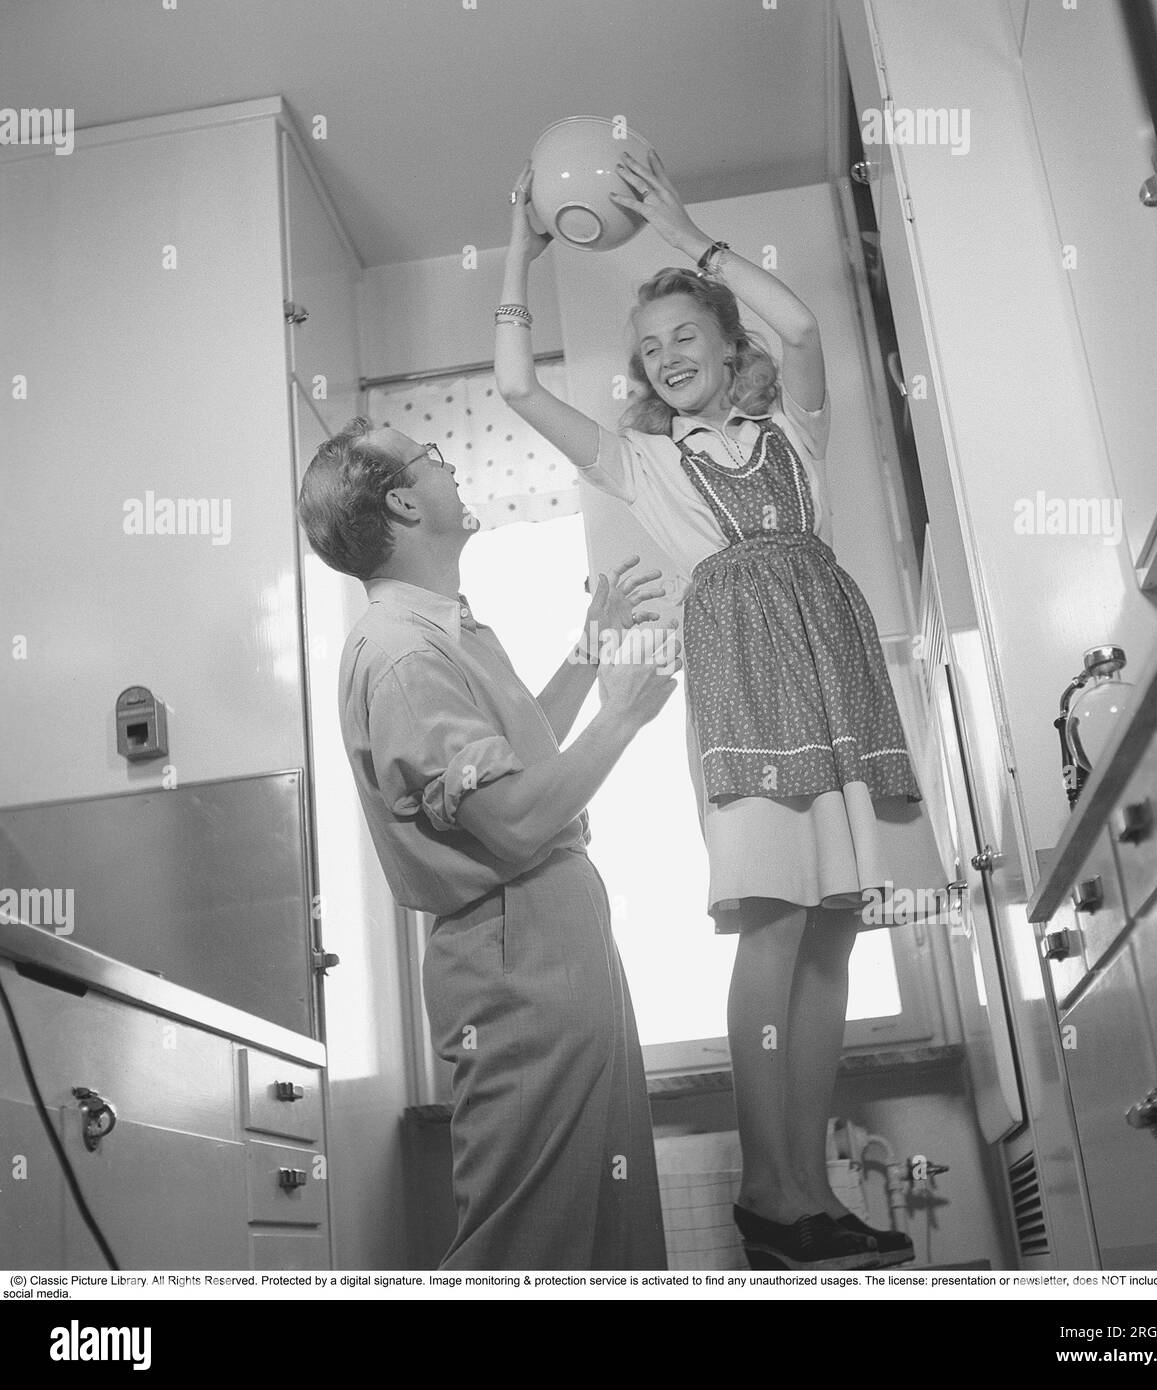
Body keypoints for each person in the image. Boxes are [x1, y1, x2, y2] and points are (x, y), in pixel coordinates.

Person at [496, 153, 940, 1270]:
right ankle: (765, 1188)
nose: (663, 356)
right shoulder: (641, 461)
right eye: (648, 350)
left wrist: (684, 233)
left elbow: (797, 327)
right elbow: (513, 388)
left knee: (838, 922)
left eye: (683, 334)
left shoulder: (795, 426)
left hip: (838, 673)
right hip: (744, 682)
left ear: (722, 339)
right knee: (777, 920)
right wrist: (517, 246)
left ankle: (806, 1193)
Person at [297, 418, 676, 1270]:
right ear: (400, 499)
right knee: (526, 1234)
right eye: (429, 457)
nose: (448, 464)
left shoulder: (440, 628)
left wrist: (589, 648)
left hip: (548, 937)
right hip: (516, 946)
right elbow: (510, 823)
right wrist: (621, 715)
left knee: (599, 1216)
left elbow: (515, 759)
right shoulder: (399, 651)